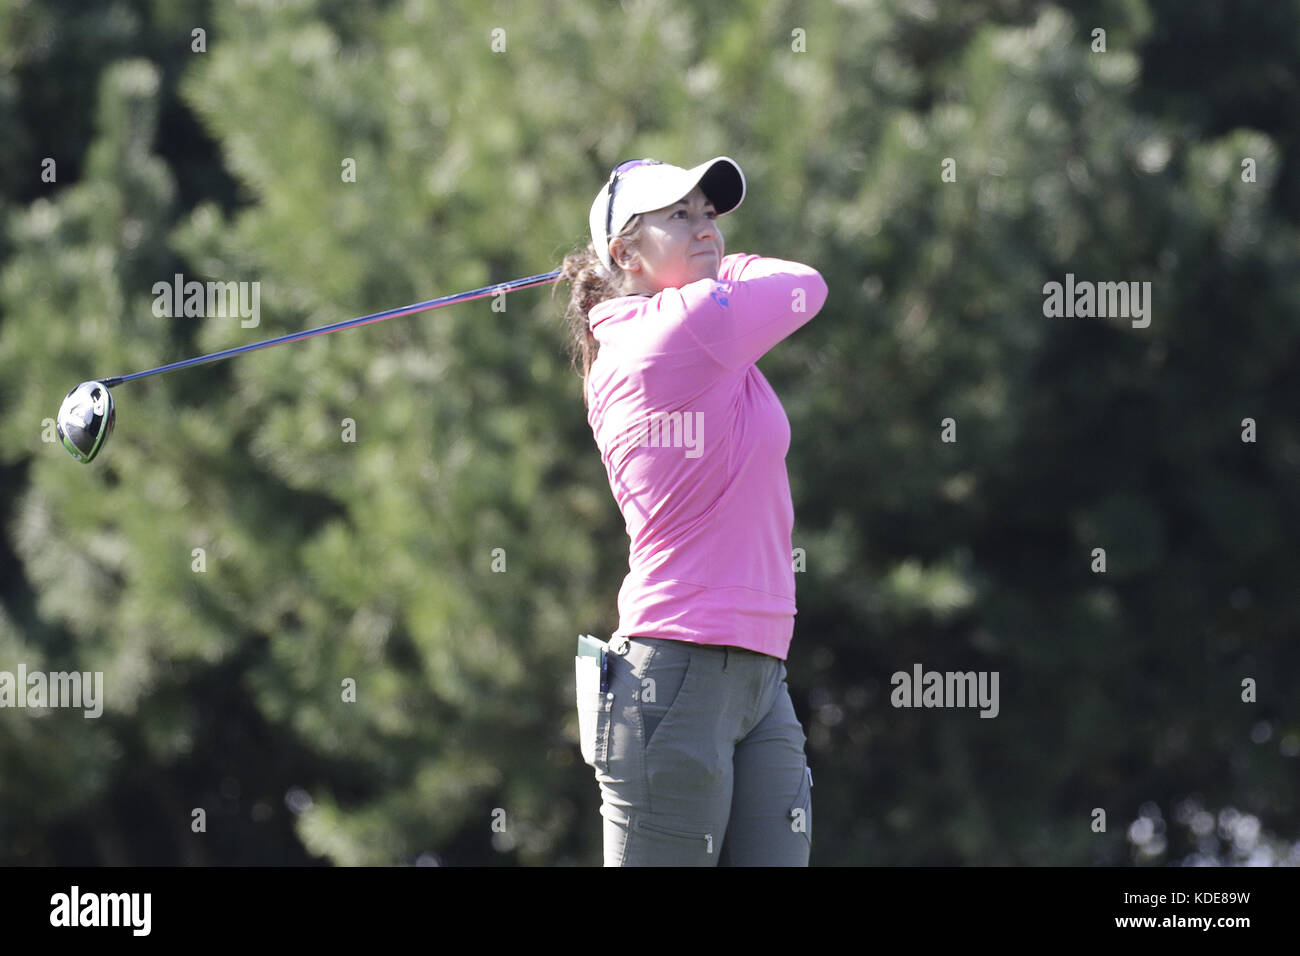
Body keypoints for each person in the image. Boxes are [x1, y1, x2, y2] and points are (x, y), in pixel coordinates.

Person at [558, 156, 828, 866]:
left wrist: (706, 262)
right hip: (674, 671)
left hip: (759, 673)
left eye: (708, 213)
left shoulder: (700, 334)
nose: (706, 227)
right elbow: (805, 286)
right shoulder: (676, 333)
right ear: (624, 254)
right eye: (679, 216)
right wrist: (728, 267)